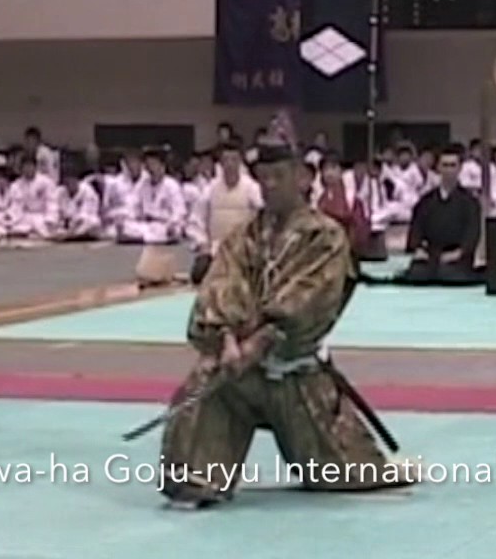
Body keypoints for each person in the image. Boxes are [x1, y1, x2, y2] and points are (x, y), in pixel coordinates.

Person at [157, 142, 412, 508]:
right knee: (207, 380)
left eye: (279, 176)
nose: (270, 185)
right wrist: (227, 339)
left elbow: (308, 298)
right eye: (263, 178)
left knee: (343, 476)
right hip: (240, 368)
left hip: (297, 373)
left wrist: (260, 342)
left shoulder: (324, 236)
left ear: (301, 178)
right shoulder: (244, 237)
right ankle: (198, 477)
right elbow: (221, 286)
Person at [396, 144, 483, 285]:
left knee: (449, 274)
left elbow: (472, 234)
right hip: (430, 256)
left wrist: (458, 253)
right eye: (445, 165)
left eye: (452, 165)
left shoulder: (470, 202)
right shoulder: (426, 201)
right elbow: (416, 231)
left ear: (460, 168)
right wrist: (418, 249)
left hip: (457, 259)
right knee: (417, 273)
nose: (449, 170)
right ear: (438, 168)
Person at [186, 141, 262, 283]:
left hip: (243, 247)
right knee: (198, 275)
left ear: (240, 162)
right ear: (220, 163)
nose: (230, 164)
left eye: (234, 160)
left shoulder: (252, 187)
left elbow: (263, 216)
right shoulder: (211, 188)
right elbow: (195, 220)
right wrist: (203, 243)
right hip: (216, 247)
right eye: (226, 160)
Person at [120, 149, 187, 244]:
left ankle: (152, 237)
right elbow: (132, 206)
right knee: (127, 227)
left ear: (162, 166)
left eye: (154, 164)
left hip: (164, 224)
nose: (151, 169)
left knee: (174, 230)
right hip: (146, 225)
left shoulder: (172, 185)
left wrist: (171, 224)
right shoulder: (142, 184)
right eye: (148, 165)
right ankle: (148, 238)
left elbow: (179, 212)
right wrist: (127, 218)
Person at [315, 153, 371, 256]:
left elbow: (357, 223)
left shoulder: (350, 196)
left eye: (333, 168)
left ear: (341, 171)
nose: (329, 173)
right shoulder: (320, 196)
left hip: (345, 246)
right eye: (325, 169)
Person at [8, 156, 60, 239]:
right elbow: (16, 205)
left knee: (46, 232)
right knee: (16, 230)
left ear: (35, 167)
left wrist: (50, 219)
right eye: (25, 167)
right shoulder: (16, 185)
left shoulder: (46, 182)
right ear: (21, 169)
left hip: (41, 215)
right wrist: (12, 217)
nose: (28, 169)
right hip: (24, 216)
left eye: (30, 166)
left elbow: (51, 202)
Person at [55, 169, 103, 241]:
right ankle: (72, 236)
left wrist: (69, 233)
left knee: (93, 224)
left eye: (71, 181)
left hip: (84, 221)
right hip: (67, 223)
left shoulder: (87, 190)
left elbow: (84, 214)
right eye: (66, 182)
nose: (69, 185)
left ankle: (72, 236)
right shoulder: (60, 191)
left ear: (77, 181)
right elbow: (56, 209)